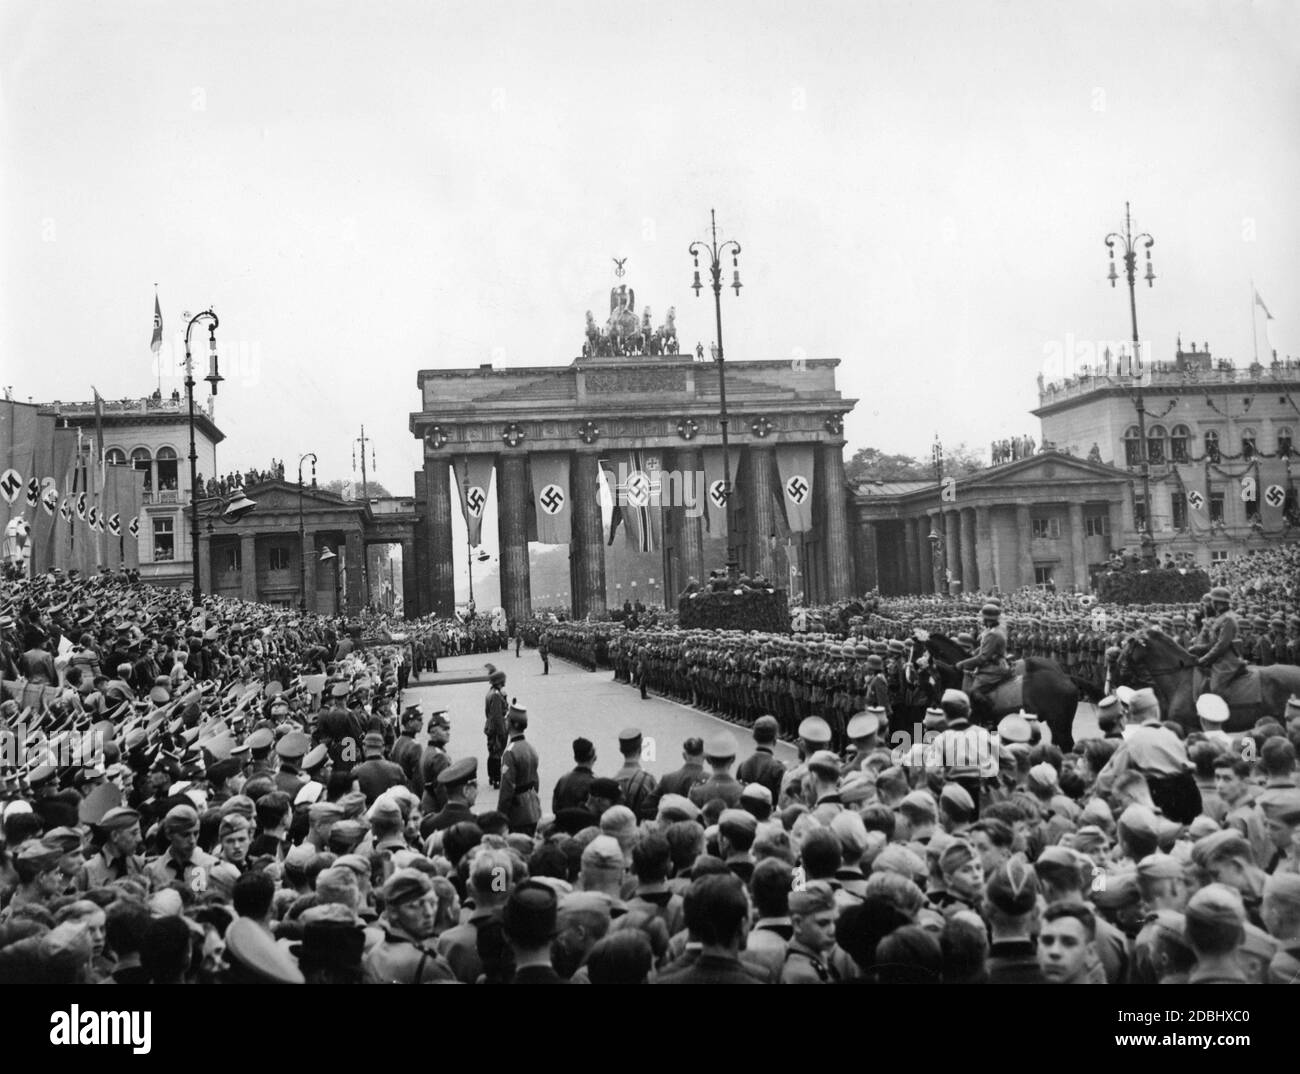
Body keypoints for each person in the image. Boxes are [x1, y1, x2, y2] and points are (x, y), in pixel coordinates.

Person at [956, 603, 1010, 723]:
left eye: (983, 619)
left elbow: (983, 658)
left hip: (994, 668)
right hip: (991, 664)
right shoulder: (992, 630)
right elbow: (982, 650)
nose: (982, 621)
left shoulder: (993, 634)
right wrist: (971, 657)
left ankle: (989, 717)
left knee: (974, 691)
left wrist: (962, 664)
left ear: (988, 619)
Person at [498, 705, 541, 837]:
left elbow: (507, 788)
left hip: (517, 815)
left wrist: (500, 816)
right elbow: (536, 782)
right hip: (534, 809)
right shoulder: (530, 748)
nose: (505, 722)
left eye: (506, 720)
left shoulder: (510, 752)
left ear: (511, 724)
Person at [484, 671, 508, 790]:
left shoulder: (491, 692)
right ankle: (497, 779)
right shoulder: (496, 695)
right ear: (500, 681)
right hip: (496, 727)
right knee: (497, 752)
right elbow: (498, 715)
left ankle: (492, 777)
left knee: (492, 752)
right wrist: (502, 731)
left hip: (490, 725)